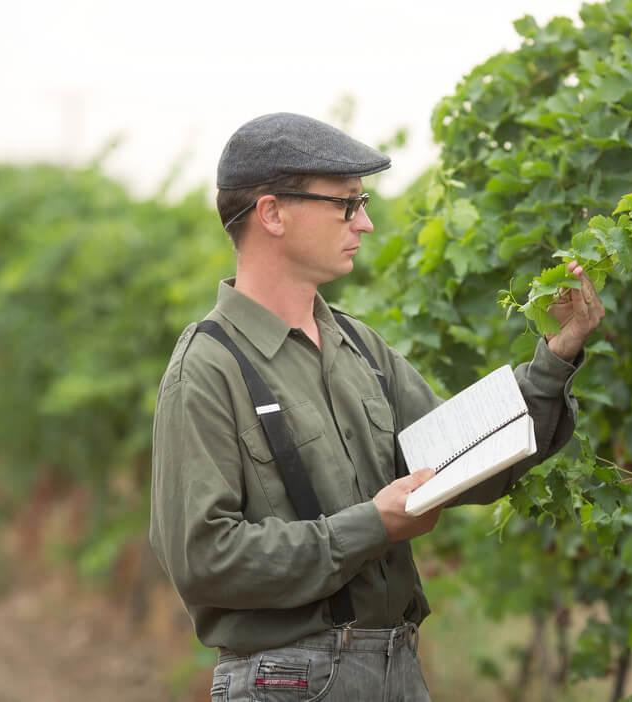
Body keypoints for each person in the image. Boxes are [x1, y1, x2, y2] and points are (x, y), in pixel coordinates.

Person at [148, 112, 605, 702]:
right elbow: (202, 559)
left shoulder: (358, 346)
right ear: (272, 213)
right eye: (345, 204)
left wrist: (558, 354)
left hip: (397, 668)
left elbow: (468, 461)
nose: (363, 223)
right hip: (286, 682)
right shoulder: (206, 370)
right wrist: (372, 525)